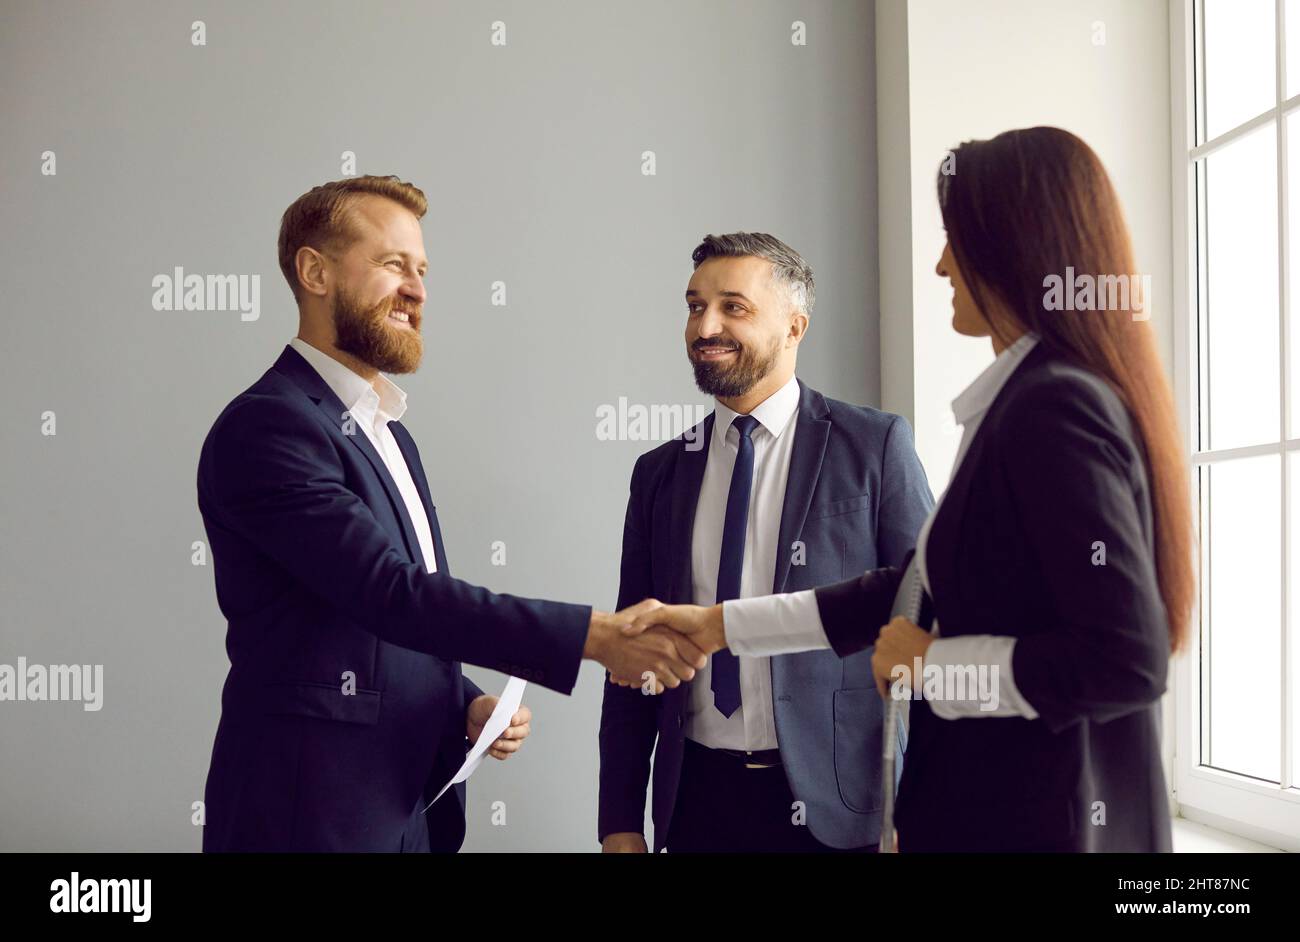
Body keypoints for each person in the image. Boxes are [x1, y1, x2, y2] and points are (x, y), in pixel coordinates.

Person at [623, 127, 1194, 853]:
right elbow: (908, 590)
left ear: (1012, 248)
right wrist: (721, 627)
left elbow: (1127, 661)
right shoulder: (1026, 401)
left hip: (1039, 824)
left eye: (956, 238)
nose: (939, 263)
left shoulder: (1052, 407)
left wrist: (930, 668)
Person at [197, 175, 705, 852]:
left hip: (405, 805)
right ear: (314, 272)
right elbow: (387, 590)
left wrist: (459, 701)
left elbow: (382, 621)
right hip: (309, 816)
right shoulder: (269, 427)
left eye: (423, 270)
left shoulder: (389, 432)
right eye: (391, 265)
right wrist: (596, 635)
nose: (418, 290)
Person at [599, 234, 932, 853]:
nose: (707, 326)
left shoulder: (876, 446)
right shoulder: (661, 473)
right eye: (695, 306)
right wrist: (619, 822)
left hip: (843, 811)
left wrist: (919, 814)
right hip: (696, 804)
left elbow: (928, 618)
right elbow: (631, 650)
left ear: (795, 325)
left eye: (734, 307)